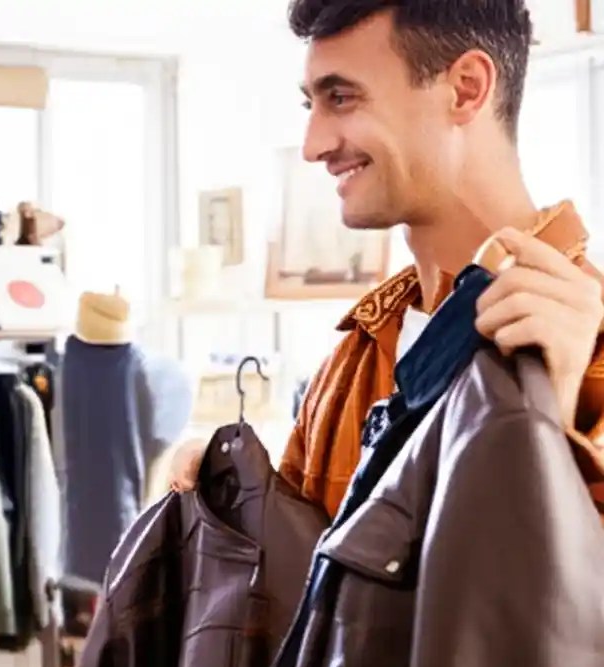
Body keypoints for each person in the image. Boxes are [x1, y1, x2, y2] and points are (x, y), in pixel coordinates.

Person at [172, 0, 604, 515]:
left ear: (466, 88)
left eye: (341, 97)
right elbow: (311, 584)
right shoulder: (351, 357)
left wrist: (550, 426)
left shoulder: (591, 349)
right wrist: (233, 502)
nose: (313, 146)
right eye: (312, 105)